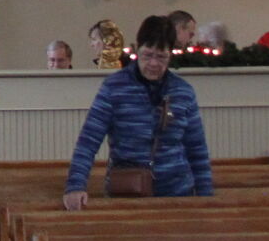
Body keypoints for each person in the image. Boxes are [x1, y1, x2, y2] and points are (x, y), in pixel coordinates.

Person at [62, 14, 213, 209]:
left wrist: (206, 197)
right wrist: (75, 185)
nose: (153, 64)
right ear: (137, 50)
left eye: (161, 57)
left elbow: (197, 149)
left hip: (177, 194)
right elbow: (88, 141)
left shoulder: (183, 91)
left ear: (171, 54)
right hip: (126, 193)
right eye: (147, 55)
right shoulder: (114, 87)